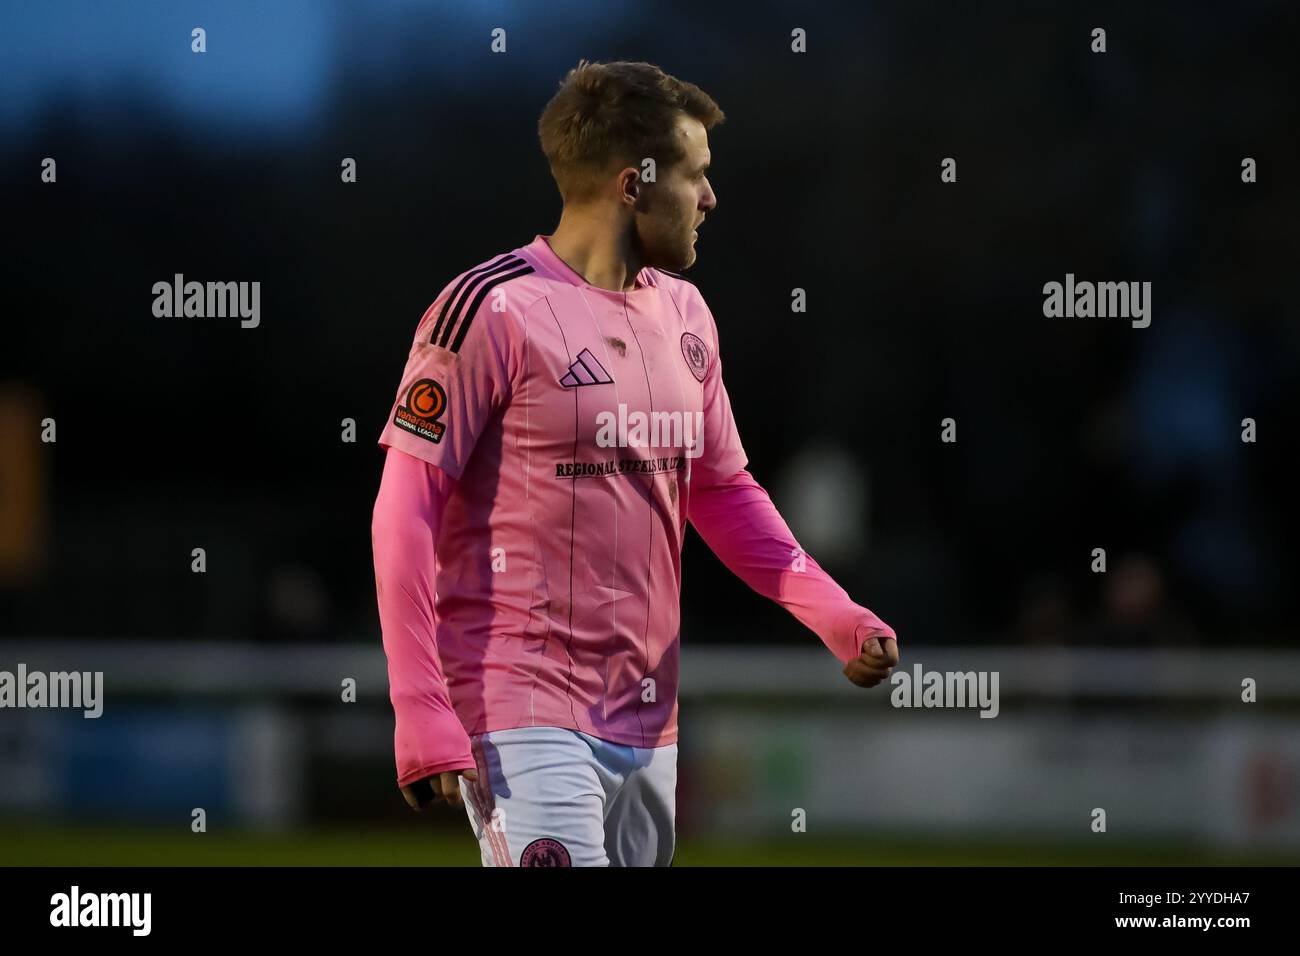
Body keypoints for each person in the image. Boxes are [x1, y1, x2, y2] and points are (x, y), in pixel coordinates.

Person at [371, 59, 898, 867]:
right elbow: (404, 509)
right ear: (632, 184)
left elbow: (720, 490)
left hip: (649, 718)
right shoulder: (491, 308)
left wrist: (837, 616)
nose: (711, 199)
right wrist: (419, 706)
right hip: (523, 707)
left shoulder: (687, 314)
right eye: (697, 176)